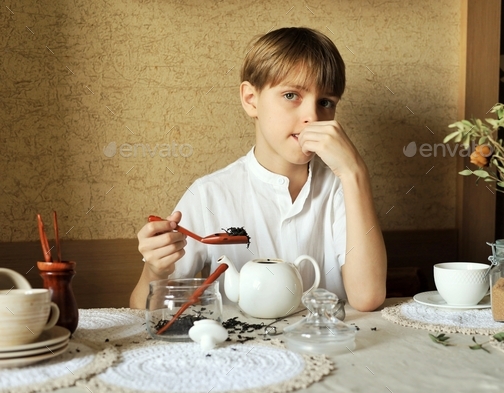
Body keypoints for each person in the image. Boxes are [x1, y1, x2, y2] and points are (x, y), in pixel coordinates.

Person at [130, 27, 387, 312]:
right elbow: (143, 310)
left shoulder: (343, 188)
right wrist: (155, 270)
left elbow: (368, 298)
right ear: (251, 99)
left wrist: (355, 172)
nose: (312, 116)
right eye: (291, 95)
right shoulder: (208, 195)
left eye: (325, 102)